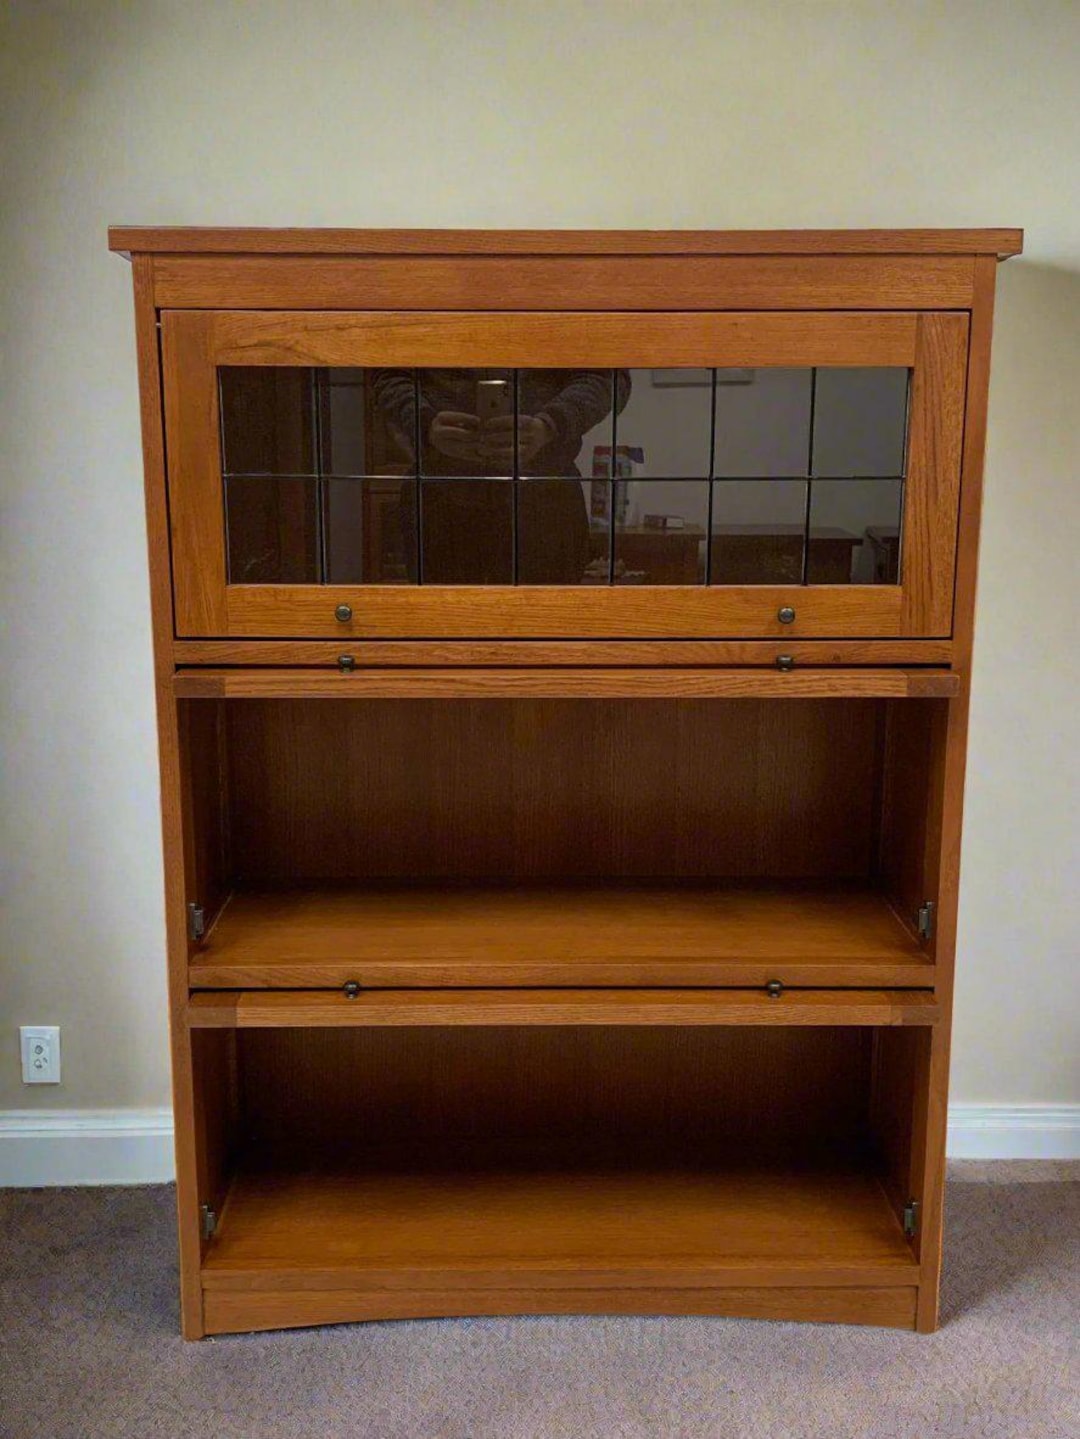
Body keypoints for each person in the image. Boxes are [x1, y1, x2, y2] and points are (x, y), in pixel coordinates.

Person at [372, 369, 631, 583]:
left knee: (540, 631)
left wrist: (423, 422)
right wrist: (423, 422)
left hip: (539, 495)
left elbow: (608, 375)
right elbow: (387, 374)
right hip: (448, 493)